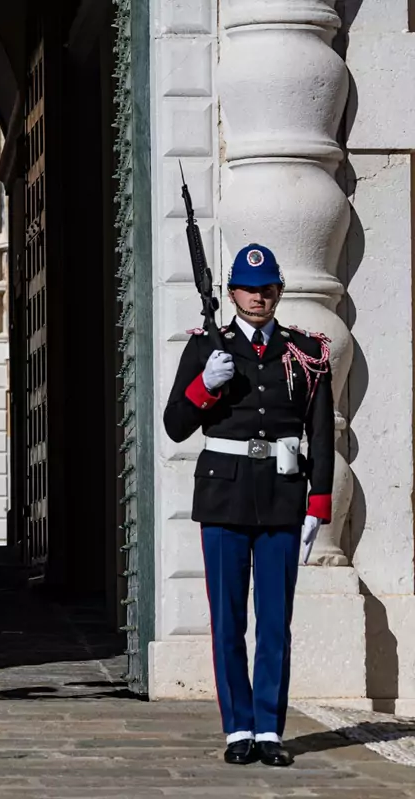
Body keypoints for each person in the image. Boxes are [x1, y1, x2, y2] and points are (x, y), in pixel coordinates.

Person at [163, 243, 333, 768]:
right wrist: (204, 387)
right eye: (248, 288)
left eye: (267, 289)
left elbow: (321, 435)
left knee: (275, 621)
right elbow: (174, 426)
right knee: (228, 619)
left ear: (278, 291)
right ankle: (238, 728)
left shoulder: (305, 350)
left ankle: (268, 730)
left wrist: (318, 506)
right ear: (231, 293)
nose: (258, 297)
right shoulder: (206, 349)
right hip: (223, 496)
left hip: (282, 498)